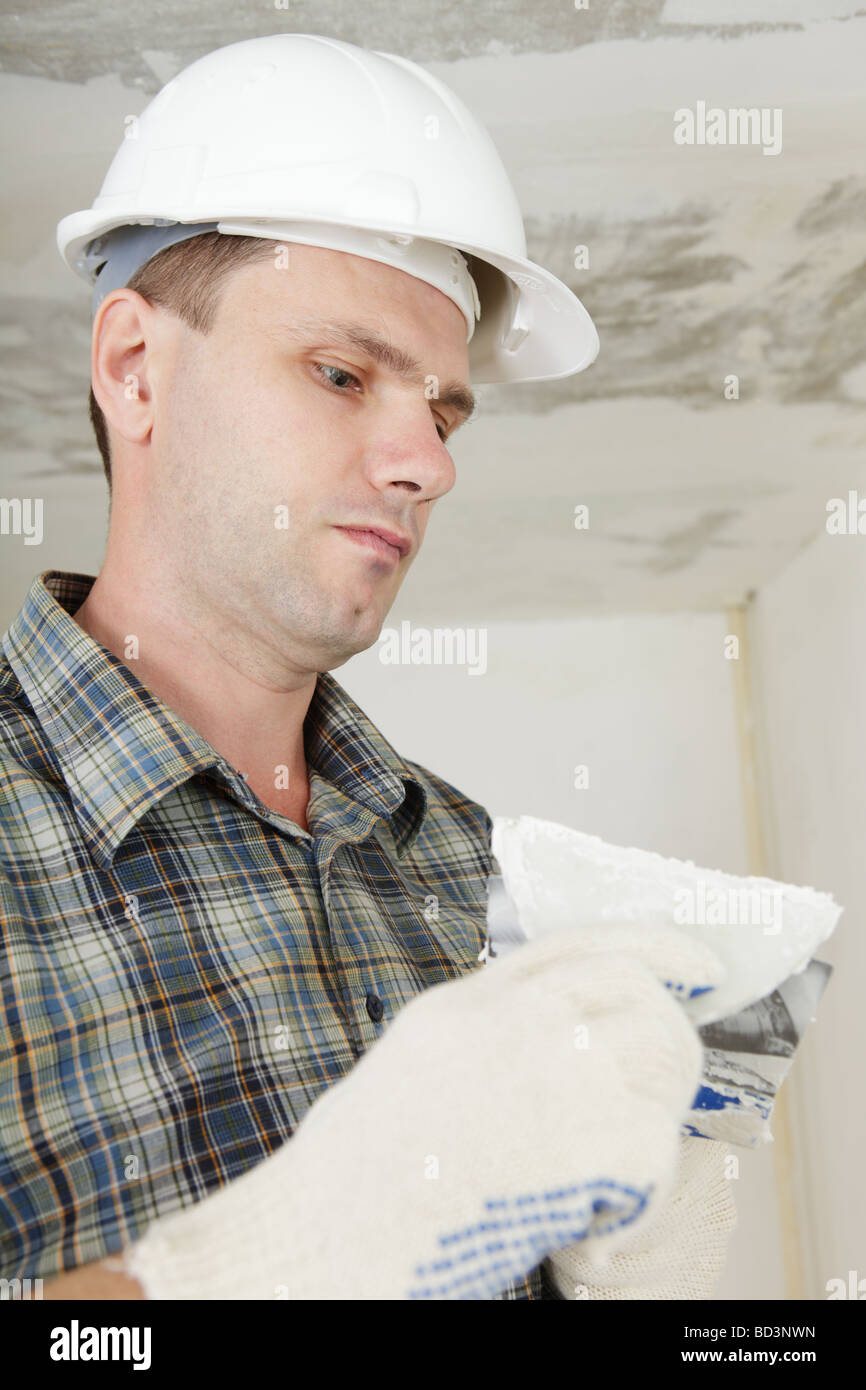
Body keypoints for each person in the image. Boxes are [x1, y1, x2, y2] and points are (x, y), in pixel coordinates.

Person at [0, 33, 735, 1300]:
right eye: (340, 373)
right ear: (134, 368)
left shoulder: (473, 865)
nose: (428, 464)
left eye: (443, 413)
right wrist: (244, 1274)